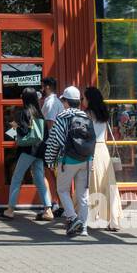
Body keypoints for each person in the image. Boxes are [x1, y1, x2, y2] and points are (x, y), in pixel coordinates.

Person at [42, 85, 94, 237]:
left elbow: (54, 140)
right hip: (86, 160)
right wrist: (92, 162)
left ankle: (72, 217)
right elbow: (93, 141)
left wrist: (50, 161)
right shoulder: (86, 117)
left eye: (63, 100)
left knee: (62, 190)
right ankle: (83, 228)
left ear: (65, 101)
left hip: (68, 160)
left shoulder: (63, 117)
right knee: (83, 195)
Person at [0, 89, 52, 221]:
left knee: (17, 178)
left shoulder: (23, 113)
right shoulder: (39, 114)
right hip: (39, 151)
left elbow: (18, 131)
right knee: (40, 179)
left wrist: (11, 127)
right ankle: (48, 210)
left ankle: (10, 210)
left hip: (27, 151)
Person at [84, 86, 122, 232]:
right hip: (103, 150)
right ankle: (112, 220)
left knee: (91, 183)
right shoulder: (104, 113)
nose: (83, 100)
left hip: (92, 150)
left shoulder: (87, 114)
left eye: (84, 98)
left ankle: (91, 217)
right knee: (108, 184)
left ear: (89, 99)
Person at [39, 77, 65, 214]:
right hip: (57, 143)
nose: (41, 89)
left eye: (42, 86)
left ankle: (54, 202)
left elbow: (50, 124)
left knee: (49, 174)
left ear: (48, 87)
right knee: (55, 174)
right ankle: (58, 203)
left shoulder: (51, 103)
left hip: (51, 143)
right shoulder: (55, 102)